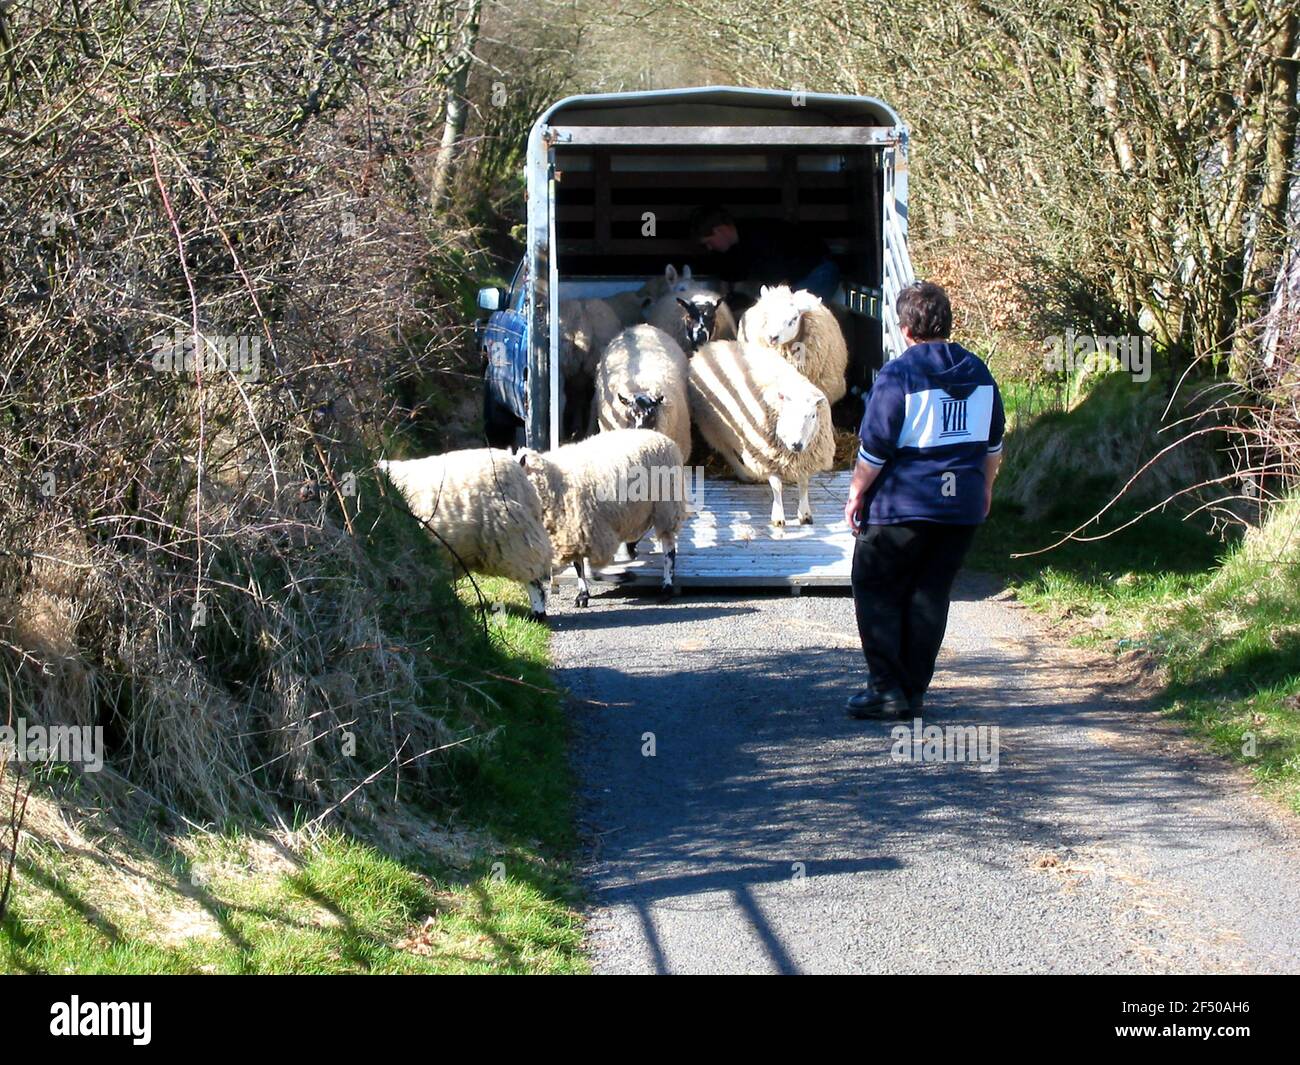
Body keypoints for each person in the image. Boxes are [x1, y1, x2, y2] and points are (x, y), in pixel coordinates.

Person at [842, 281, 1004, 720]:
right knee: (930, 595)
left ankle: (885, 690)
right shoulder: (979, 372)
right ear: (947, 323)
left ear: (906, 329)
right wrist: (984, 490)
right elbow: (992, 449)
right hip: (960, 509)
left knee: (877, 589)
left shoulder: (898, 376)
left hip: (903, 506)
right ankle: (913, 692)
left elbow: (874, 451)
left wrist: (856, 494)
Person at [689, 204, 841, 303]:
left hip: (818, 272)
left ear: (719, 230)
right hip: (807, 275)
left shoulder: (758, 238)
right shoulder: (739, 246)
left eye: (709, 241)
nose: (709, 248)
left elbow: (774, 276)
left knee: (797, 322)